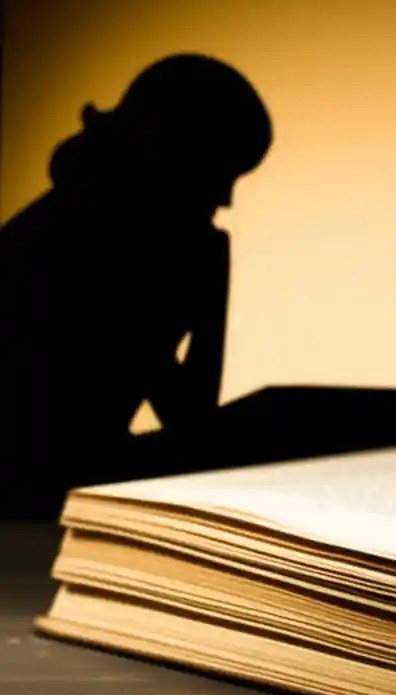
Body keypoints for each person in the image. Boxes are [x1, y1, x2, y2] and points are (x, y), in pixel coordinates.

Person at [0, 54, 271, 520]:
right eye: (220, 171)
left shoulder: (108, 226)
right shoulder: (84, 237)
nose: (225, 199)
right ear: (173, 148)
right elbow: (191, 424)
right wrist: (212, 303)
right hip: (31, 495)